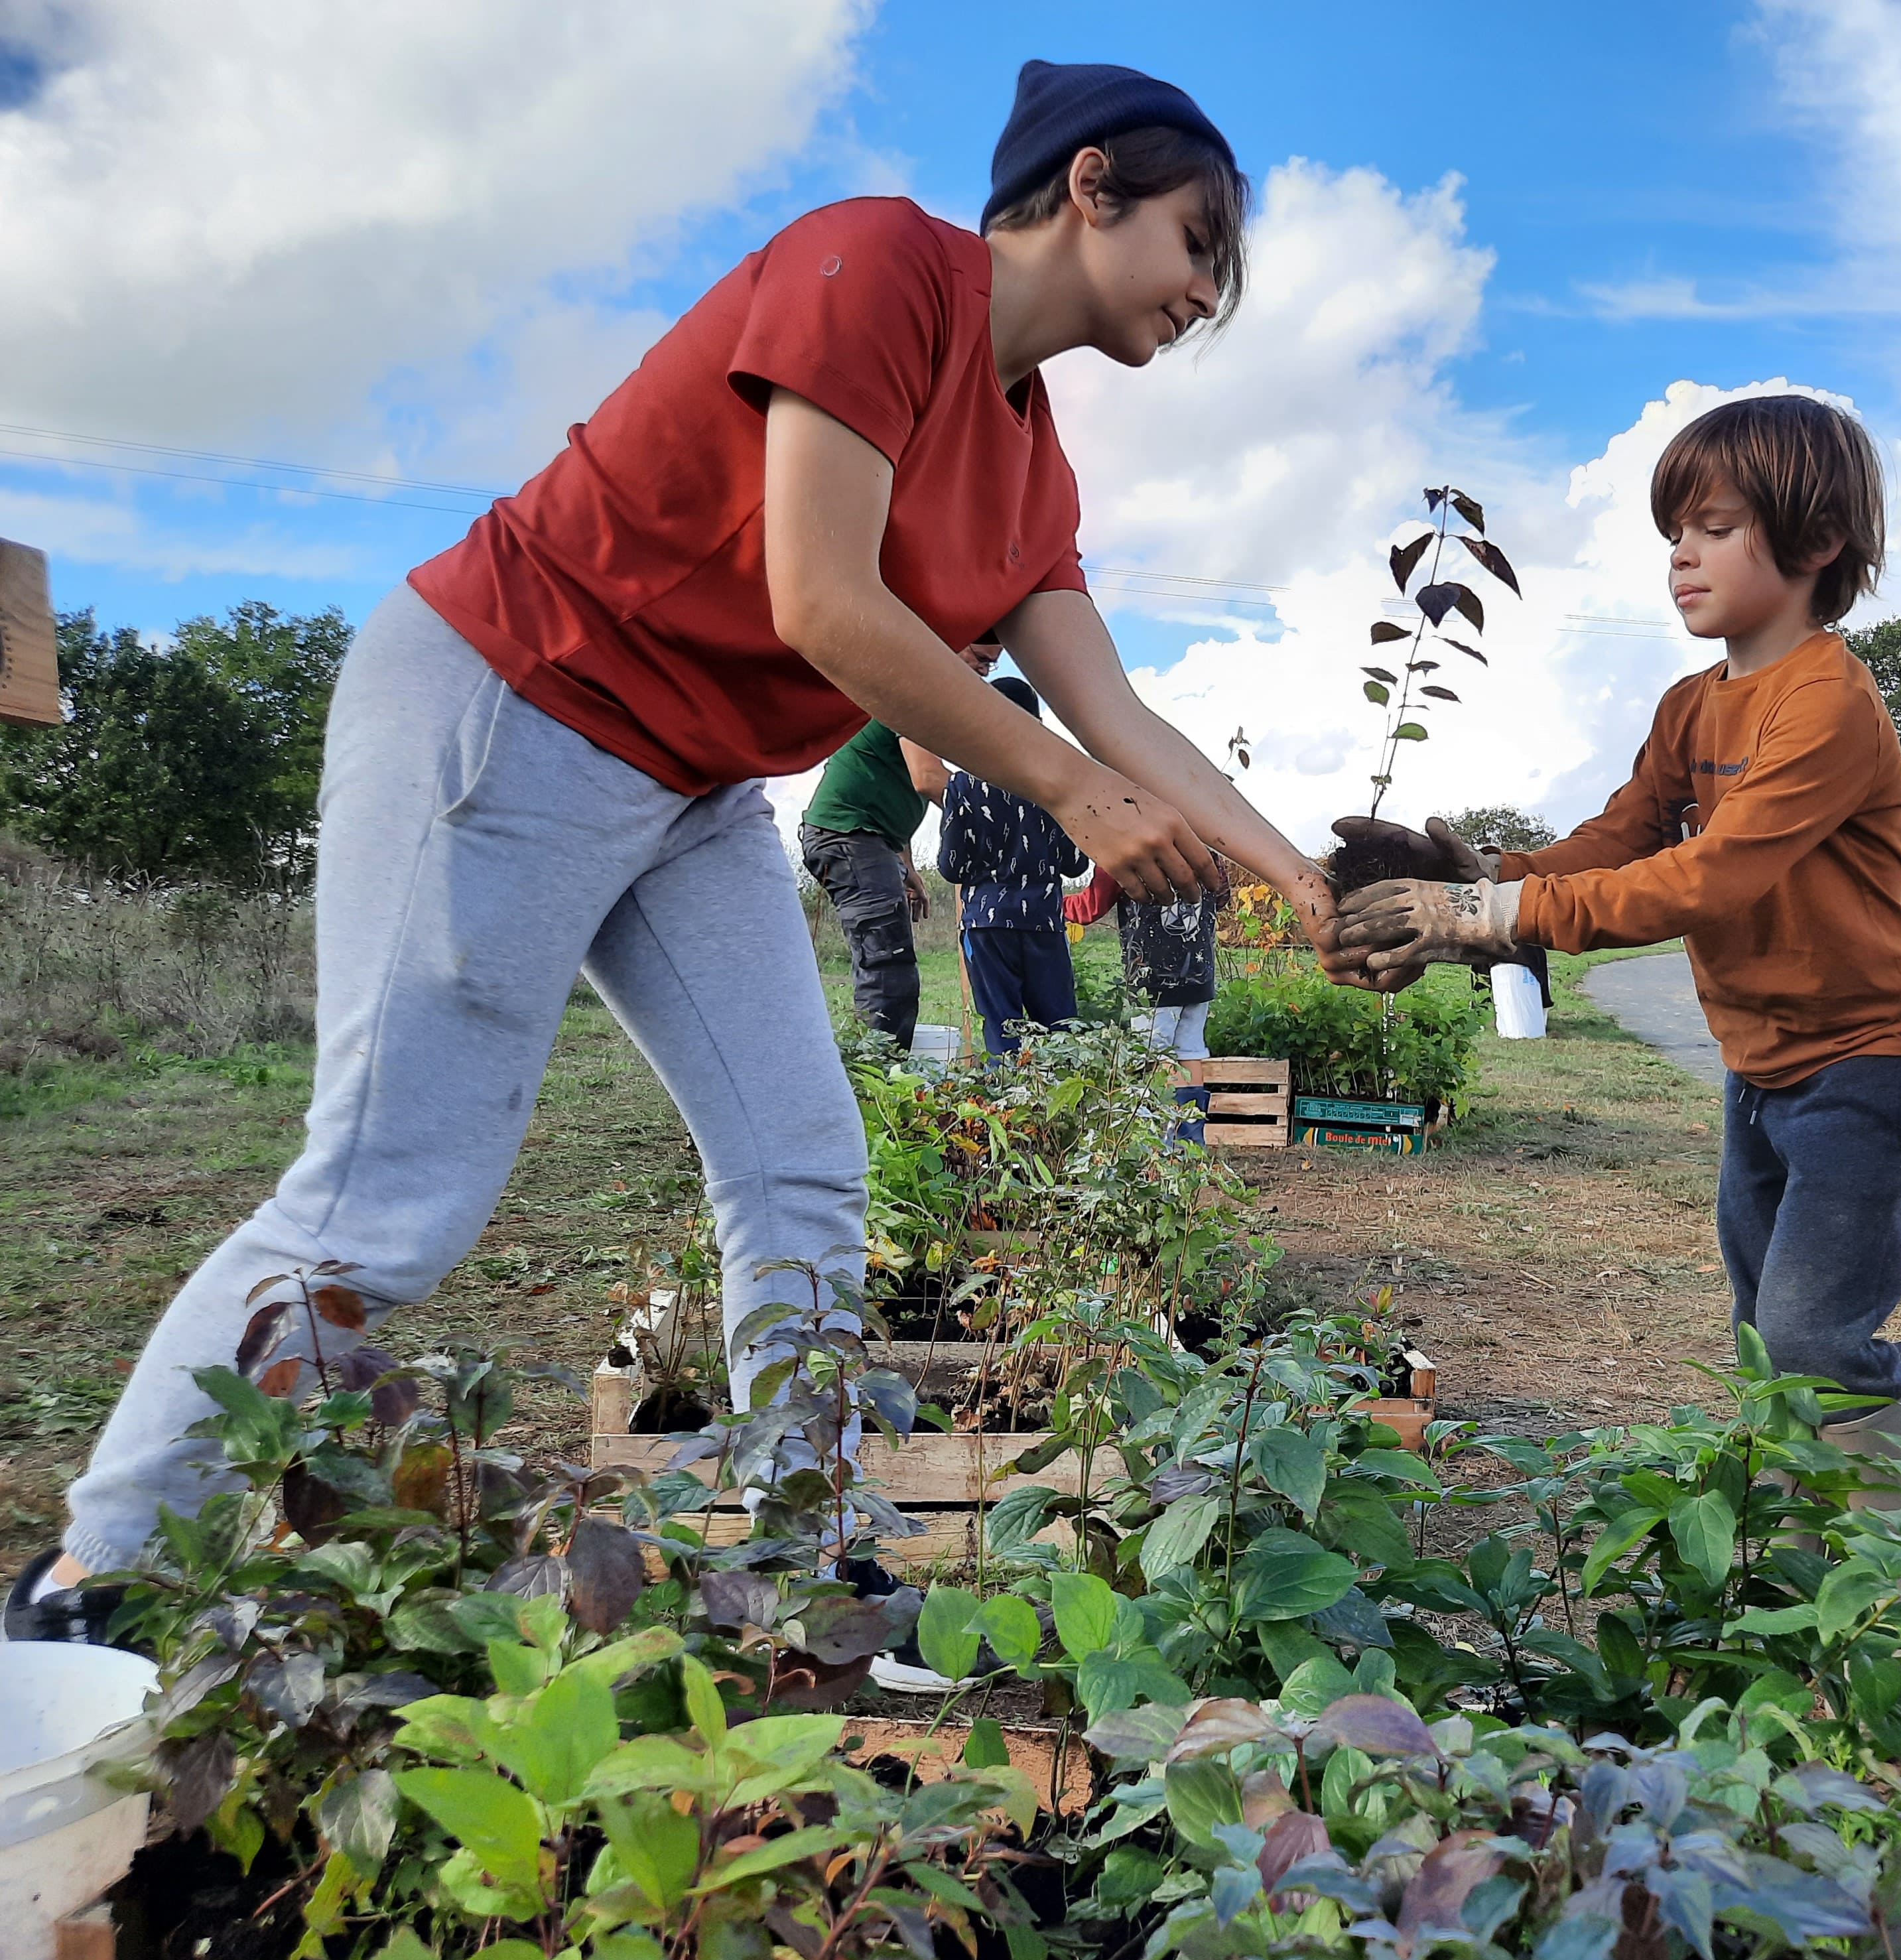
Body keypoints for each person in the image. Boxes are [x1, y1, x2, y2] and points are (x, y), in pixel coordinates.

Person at [7, 58, 1346, 1642]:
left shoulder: (1034, 463)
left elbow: (1115, 708)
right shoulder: (880, 266)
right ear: (1091, 184)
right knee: (386, 1198)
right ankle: (98, 1580)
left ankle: (798, 1534)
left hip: (694, 778)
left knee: (802, 1153)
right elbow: (823, 601)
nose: (1208, 293)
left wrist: (1304, 885)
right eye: (1203, 243)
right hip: (515, 690)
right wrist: (1065, 788)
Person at [1327, 395, 1901, 1467]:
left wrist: (1482, 916)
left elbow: (1704, 882)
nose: (1682, 556)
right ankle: (1802, 1576)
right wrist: (1489, 876)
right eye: (1675, 534)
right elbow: (1618, 840)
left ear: (1817, 539)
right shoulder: (1689, 707)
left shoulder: (1830, 706)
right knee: (1766, 1338)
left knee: (1816, 1337)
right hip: (1759, 1072)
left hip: (1869, 1066)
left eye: (1714, 528)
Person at [799, 637, 1000, 1046]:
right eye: (979, 659)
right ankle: (881, 1087)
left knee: (888, 963)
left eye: (990, 666)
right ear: (951, 642)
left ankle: (880, 1075)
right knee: (888, 969)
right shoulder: (916, 692)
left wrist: (907, 870)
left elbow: (898, 794)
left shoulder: (931, 703)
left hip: (868, 839)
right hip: (848, 835)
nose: (983, 671)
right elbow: (928, 780)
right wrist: (1003, 826)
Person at [938, 675, 1087, 1053]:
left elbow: (951, 868)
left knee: (1002, 1032)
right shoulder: (1055, 782)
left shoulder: (964, 785)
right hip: (1043, 922)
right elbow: (1074, 863)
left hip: (987, 924)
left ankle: (1007, 1108)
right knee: (1060, 1034)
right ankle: (1064, 1110)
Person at [1062, 862, 1219, 1057]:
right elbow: (1222, 895)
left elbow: (1089, 908)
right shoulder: (1206, 847)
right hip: (1199, 975)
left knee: (1151, 1056)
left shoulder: (1122, 850)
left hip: (1152, 980)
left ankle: (1162, 1088)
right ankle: (1192, 1089)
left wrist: (1053, 902)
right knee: (1191, 1050)